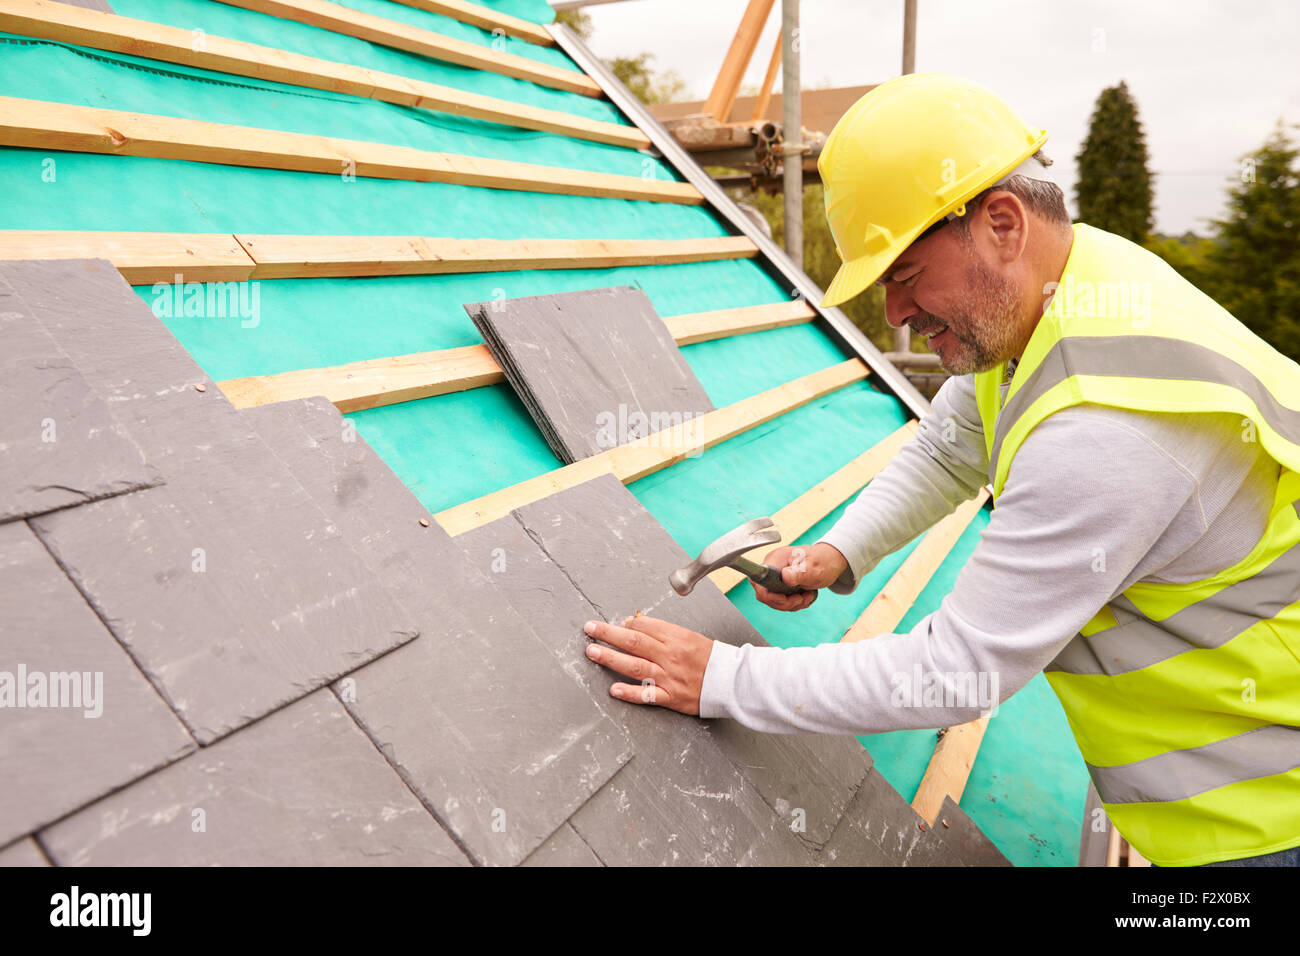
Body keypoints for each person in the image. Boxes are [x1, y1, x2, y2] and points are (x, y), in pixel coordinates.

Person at [581, 73, 1300, 867]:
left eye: (905, 275)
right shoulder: (1069, 289)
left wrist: (723, 680)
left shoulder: (1106, 429)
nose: (893, 315)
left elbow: (954, 675)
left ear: (1000, 224)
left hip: (1265, 823)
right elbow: (954, 440)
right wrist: (841, 551)